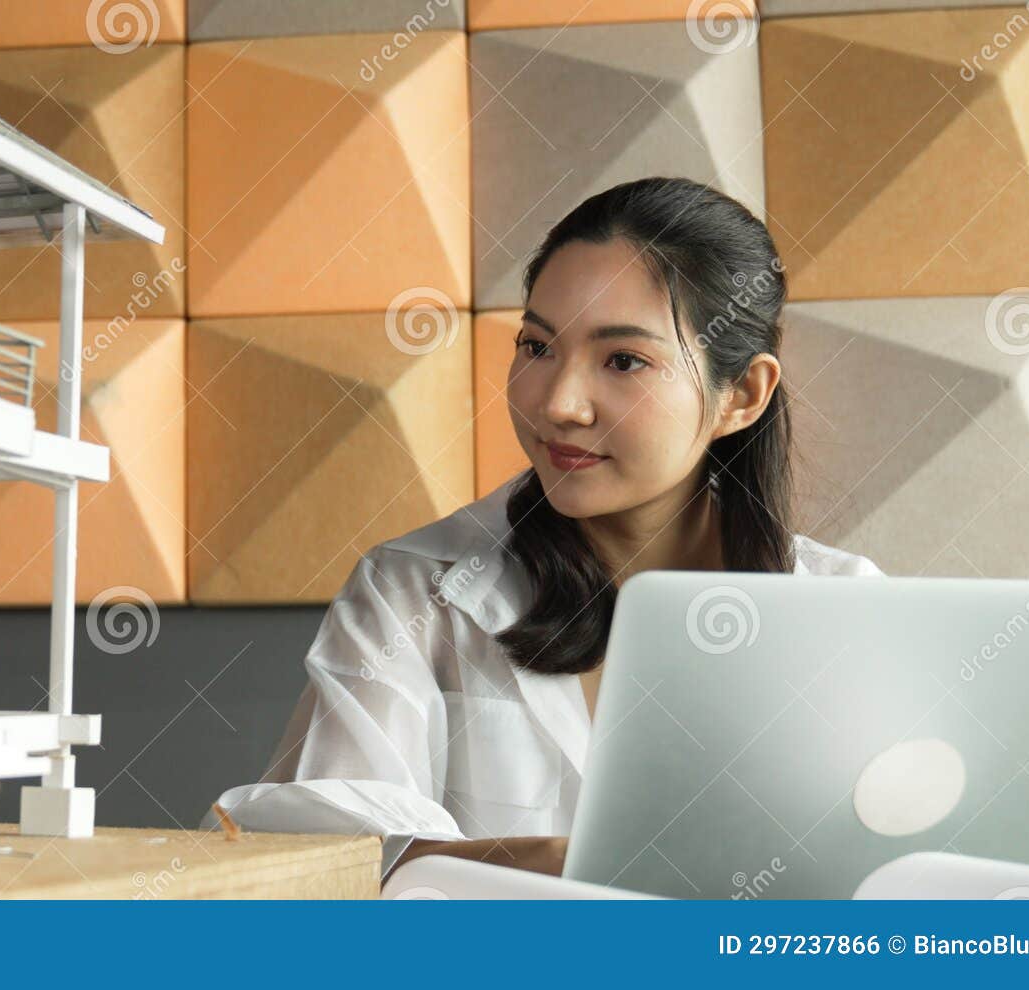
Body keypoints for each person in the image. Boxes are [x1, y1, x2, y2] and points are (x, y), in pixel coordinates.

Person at [199, 176, 884, 882]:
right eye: (537, 346)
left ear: (740, 394)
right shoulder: (413, 592)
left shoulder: (851, 613)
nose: (558, 404)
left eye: (624, 360)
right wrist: (581, 868)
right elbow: (326, 860)